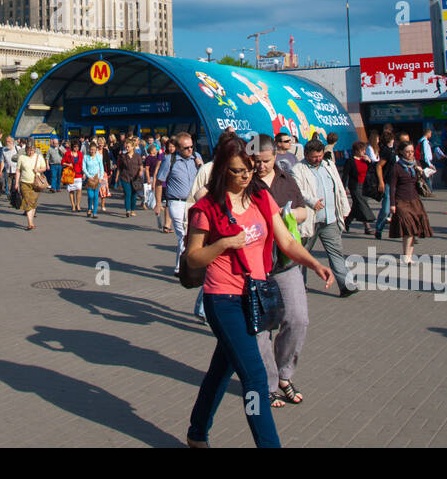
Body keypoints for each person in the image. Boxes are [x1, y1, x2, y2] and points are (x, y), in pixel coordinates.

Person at [183, 135, 335, 448]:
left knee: (220, 370)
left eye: (249, 170)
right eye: (238, 171)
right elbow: (193, 257)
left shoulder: (260, 197)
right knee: (254, 379)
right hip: (222, 298)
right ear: (223, 169)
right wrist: (222, 244)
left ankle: (196, 433)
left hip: (253, 295)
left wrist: (316, 264)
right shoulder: (206, 208)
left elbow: (287, 241)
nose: (245, 176)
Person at [249, 135, 314, 407]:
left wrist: (286, 215)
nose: (260, 166)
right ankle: (269, 382)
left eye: (264, 161)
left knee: (298, 318)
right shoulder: (243, 181)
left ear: (275, 156)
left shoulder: (287, 180)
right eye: (255, 161)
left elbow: (303, 211)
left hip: (285, 260)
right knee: (261, 329)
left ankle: (285, 373)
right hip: (254, 264)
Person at [294, 136, 356, 296]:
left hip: (330, 219)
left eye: (320, 155)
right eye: (314, 156)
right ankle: (300, 286)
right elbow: (298, 190)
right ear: (306, 155)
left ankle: (346, 285)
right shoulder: (298, 169)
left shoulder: (329, 165)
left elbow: (339, 187)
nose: (318, 159)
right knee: (303, 255)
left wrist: (343, 207)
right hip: (311, 220)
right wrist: (313, 201)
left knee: (336, 252)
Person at [155, 132, 203, 265]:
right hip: (177, 202)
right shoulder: (170, 160)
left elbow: (205, 177)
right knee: (184, 235)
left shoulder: (196, 157)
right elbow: (159, 182)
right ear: (178, 148)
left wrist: (200, 165)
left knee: (193, 235)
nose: (190, 150)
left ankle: (180, 267)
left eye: (191, 147)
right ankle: (183, 267)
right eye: (186, 148)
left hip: (194, 201)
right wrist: (158, 203)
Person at [387, 141, 433, 264]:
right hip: (401, 201)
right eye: (407, 151)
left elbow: (423, 181)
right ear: (401, 152)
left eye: (412, 151)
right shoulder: (396, 167)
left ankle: (409, 256)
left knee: (414, 230)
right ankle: (405, 256)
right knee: (408, 229)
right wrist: (392, 204)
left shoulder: (416, 164)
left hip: (415, 200)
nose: (410, 154)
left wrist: (421, 172)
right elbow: (392, 187)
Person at [341, 140, 374, 235]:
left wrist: (369, 162)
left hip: (364, 186)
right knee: (362, 204)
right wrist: (343, 187)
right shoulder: (350, 161)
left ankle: (347, 221)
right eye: (362, 150)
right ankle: (367, 227)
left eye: (364, 150)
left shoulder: (365, 160)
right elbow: (345, 175)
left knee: (357, 206)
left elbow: (371, 172)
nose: (364, 152)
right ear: (356, 151)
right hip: (355, 186)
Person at [16, 139, 48, 230]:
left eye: (32, 150)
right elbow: (18, 171)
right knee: (27, 200)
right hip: (24, 182)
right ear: (26, 150)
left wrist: (38, 170)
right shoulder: (22, 157)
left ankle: (31, 222)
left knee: (33, 202)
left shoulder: (39, 157)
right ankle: (30, 223)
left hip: (36, 183)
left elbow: (44, 168)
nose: (30, 152)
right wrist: (16, 183)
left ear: (34, 150)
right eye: (29, 150)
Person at [115, 137, 144, 218]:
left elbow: (141, 165)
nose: (127, 148)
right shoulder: (123, 156)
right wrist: (117, 177)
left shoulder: (137, 156)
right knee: (128, 193)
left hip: (135, 178)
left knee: (134, 194)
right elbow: (119, 168)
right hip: (125, 177)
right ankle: (127, 210)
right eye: (126, 147)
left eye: (128, 147)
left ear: (133, 147)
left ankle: (132, 210)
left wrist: (141, 171)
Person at [81, 140, 105, 218]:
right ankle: (89, 208)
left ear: (96, 150)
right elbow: (83, 167)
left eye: (94, 150)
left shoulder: (98, 156)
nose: (92, 151)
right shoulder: (86, 157)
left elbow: (101, 167)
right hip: (89, 178)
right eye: (91, 150)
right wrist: (88, 175)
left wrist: (101, 177)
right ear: (89, 149)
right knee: (90, 195)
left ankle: (94, 212)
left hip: (97, 177)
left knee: (95, 196)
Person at [63, 139, 84, 212]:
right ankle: (73, 205)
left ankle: (78, 204)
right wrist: (68, 164)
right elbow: (62, 162)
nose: (76, 148)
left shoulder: (80, 154)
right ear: (72, 146)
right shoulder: (67, 153)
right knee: (71, 191)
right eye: (75, 146)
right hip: (70, 174)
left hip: (78, 174)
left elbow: (81, 164)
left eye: (78, 147)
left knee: (79, 190)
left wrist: (83, 173)